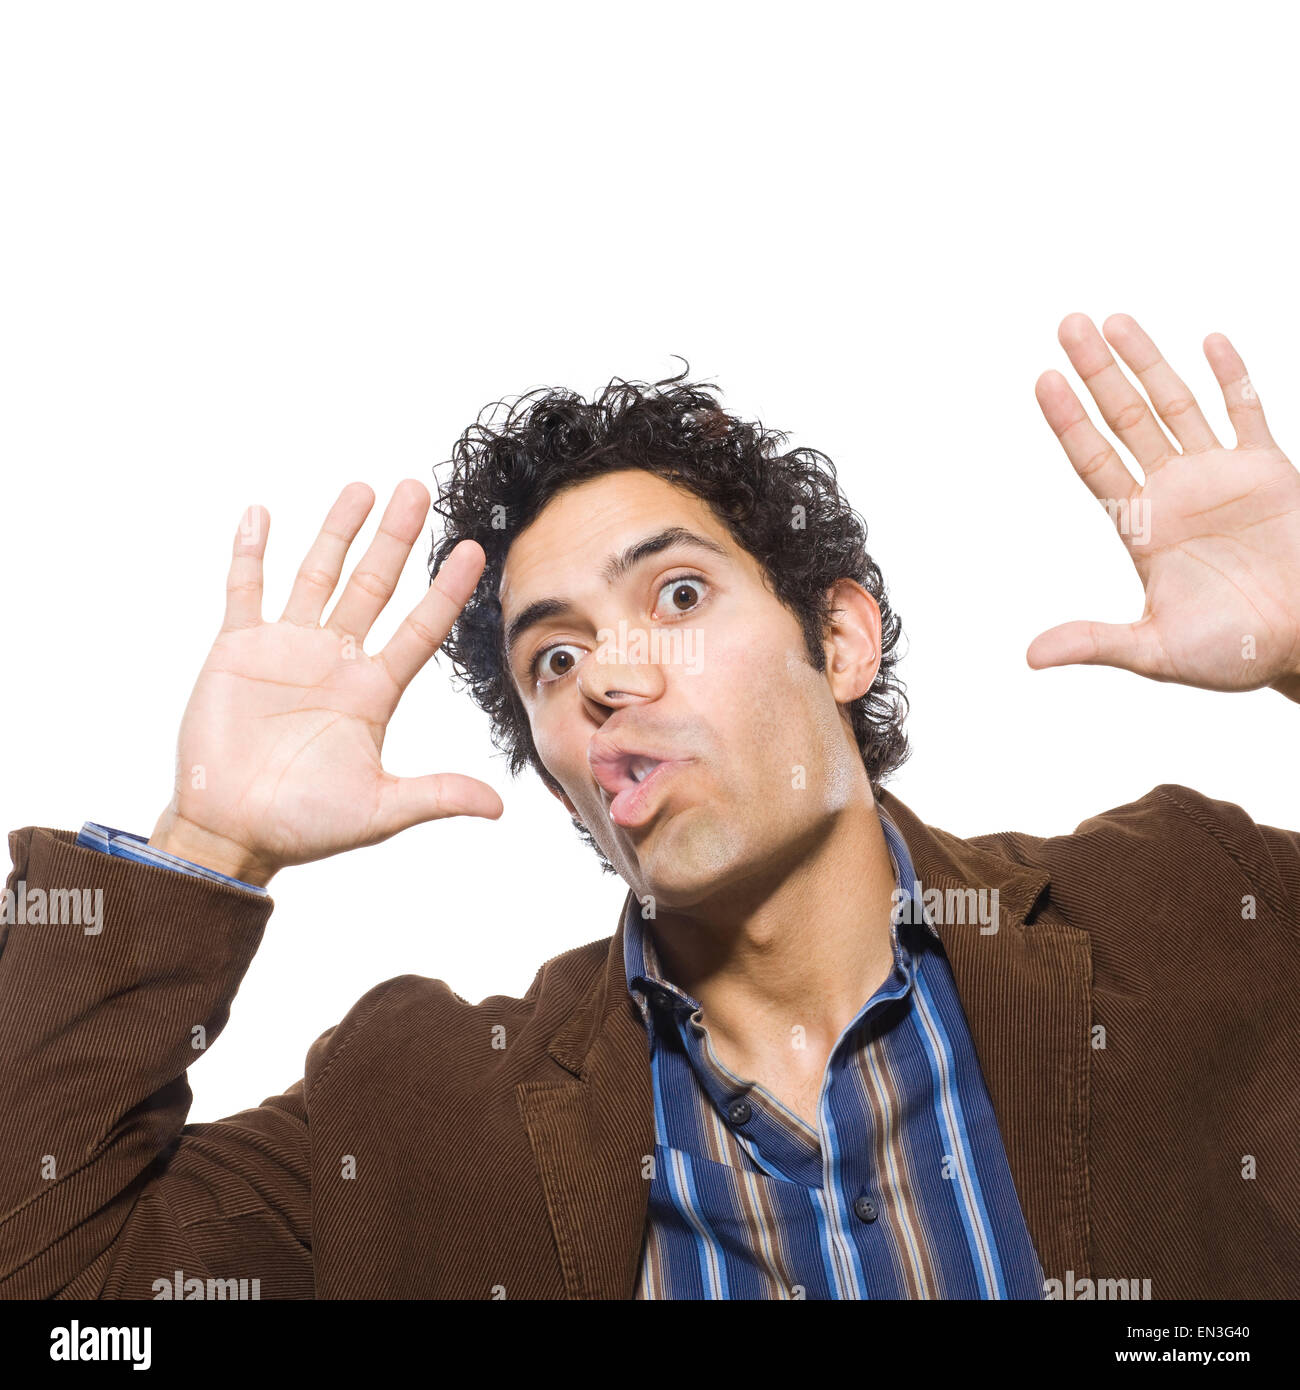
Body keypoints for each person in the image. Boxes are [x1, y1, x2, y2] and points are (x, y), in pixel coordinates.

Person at [2, 314, 1296, 1300]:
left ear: (839, 637)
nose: (609, 675)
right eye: (554, 659)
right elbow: (55, 1289)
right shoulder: (423, 1113)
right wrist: (206, 840)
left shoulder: (1188, 909)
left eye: (675, 596)